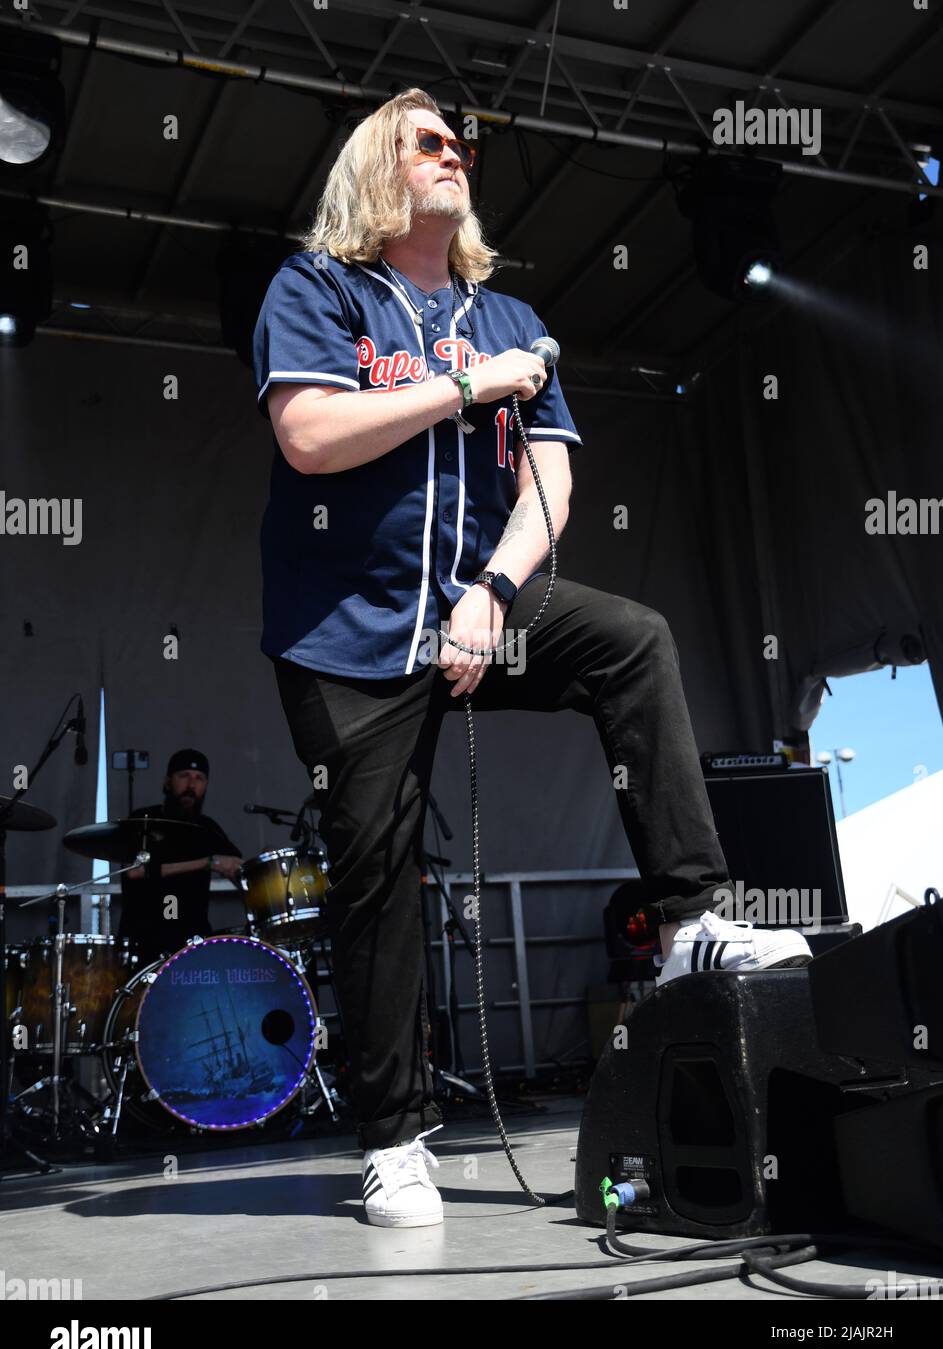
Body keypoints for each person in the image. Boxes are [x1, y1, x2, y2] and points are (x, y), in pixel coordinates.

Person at [252, 89, 811, 1229]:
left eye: (461, 144)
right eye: (429, 142)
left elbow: (549, 481)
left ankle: (690, 920)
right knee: (375, 872)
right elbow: (309, 435)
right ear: (376, 168)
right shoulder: (314, 289)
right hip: (347, 637)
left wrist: (495, 595)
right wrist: (459, 388)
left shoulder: (511, 319)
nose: (455, 154)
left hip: (475, 609)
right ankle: (394, 1139)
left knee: (631, 639)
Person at [119, 749, 242, 963]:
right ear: (167, 782)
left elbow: (237, 869)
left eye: (199, 778)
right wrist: (207, 863)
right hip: (144, 939)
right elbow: (134, 873)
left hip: (193, 942)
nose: (191, 785)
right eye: (184, 776)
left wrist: (266, 865)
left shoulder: (207, 828)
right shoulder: (144, 820)